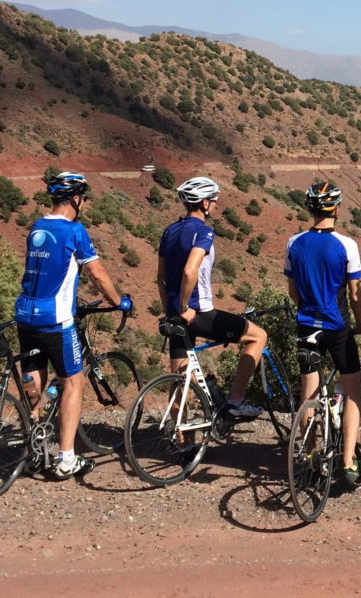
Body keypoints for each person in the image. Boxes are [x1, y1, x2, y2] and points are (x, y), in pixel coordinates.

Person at [14, 171, 132, 479]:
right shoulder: (74, 231)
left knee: (34, 375)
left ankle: (34, 449)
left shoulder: (37, 227)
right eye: (85, 198)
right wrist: (118, 300)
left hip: (26, 314)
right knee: (73, 382)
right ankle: (66, 458)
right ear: (76, 199)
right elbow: (97, 274)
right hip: (56, 319)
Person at [156, 176, 268, 421]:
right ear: (204, 204)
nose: (216, 205)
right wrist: (186, 307)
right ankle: (236, 401)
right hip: (199, 312)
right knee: (258, 336)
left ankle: (184, 447)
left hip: (175, 315)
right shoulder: (204, 232)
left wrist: (172, 310)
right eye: (214, 201)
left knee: (180, 382)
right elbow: (190, 270)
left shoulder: (169, 231)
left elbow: (160, 278)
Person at [284, 179, 361, 488]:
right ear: (336, 208)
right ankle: (347, 461)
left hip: (306, 325)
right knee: (353, 391)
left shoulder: (294, 243)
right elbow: (355, 294)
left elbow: (293, 291)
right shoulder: (347, 245)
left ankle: (308, 457)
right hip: (337, 328)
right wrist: (360, 323)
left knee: (308, 392)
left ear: (310, 208)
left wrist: (308, 311)